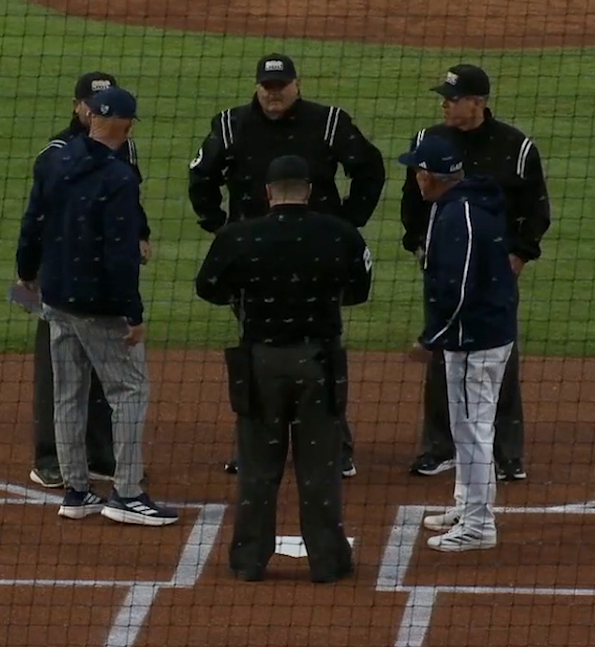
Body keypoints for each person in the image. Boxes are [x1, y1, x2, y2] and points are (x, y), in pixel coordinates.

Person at [188, 53, 386, 478]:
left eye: (280, 86)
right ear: (257, 86)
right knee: (257, 345)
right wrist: (220, 227)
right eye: (266, 87)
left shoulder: (328, 122)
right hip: (255, 259)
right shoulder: (232, 124)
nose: (273, 94)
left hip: (316, 255)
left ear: (297, 84)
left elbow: (369, 167)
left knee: (324, 346)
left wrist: (348, 223)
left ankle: (337, 447)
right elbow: (201, 177)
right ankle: (256, 448)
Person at [194, 154, 372, 582]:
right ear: (308, 191)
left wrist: (246, 296)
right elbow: (359, 290)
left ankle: (249, 561)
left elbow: (208, 288)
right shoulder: (341, 234)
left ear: (268, 192)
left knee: (258, 468)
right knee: (319, 469)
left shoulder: (238, 237)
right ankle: (328, 562)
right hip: (320, 362)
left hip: (260, 363)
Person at [14, 86, 177, 527]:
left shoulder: (55, 160)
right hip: (98, 304)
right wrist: (134, 313)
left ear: (91, 119)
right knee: (129, 391)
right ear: (127, 126)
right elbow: (121, 255)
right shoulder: (118, 177)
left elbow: (32, 223)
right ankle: (127, 493)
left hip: (55, 298)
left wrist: (26, 273)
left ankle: (76, 490)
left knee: (68, 393)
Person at [399, 63, 552, 482]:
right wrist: (418, 245)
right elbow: (411, 203)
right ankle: (439, 447)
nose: (446, 105)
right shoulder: (428, 141)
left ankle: (506, 453)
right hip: (443, 265)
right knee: (442, 351)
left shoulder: (515, 147)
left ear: (478, 102)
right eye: (445, 99)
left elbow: (537, 210)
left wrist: (519, 256)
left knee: (499, 355)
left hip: (498, 272)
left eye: (453, 99)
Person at [27, 70, 153, 490]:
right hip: (64, 273)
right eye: (89, 101)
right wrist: (30, 272)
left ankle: (98, 456)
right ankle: (52, 458)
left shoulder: (122, 151)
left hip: (89, 271)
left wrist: (141, 232)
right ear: (77, 105)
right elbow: (39, 217)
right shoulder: (57, 153)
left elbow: (130, 198)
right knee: (63, 376)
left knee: (93, 373)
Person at [400, 135, 517, 552]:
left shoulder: (459, 215)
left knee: (472, 430)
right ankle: (468, 503)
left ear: (430, 177)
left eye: (418, 170)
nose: (415, 177)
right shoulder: (459, 205)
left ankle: (479, 525)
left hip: (474, 338)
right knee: (466, 425)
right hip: (480, 333)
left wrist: (431, 339)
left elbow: (460, 287)